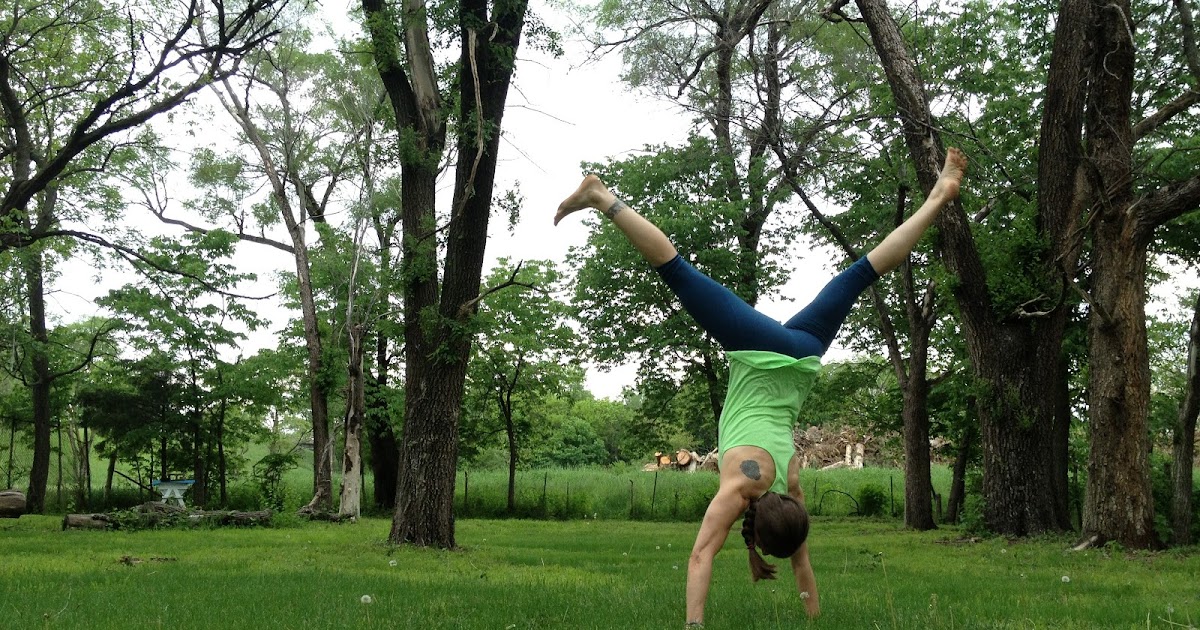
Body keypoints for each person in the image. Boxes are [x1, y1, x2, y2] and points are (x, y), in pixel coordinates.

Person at [554, 148, 967, 627]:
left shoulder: (792, 486)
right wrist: (694, 625)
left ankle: (938, 197)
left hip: (804, 355)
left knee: (861, 274)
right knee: (677, 272)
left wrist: (813, 618)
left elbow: (802, 563)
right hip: (760, 351)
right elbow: (699, 556)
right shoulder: (737, 487)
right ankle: (601, 195)